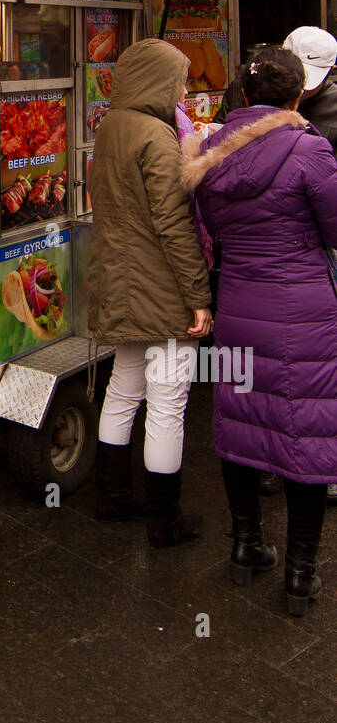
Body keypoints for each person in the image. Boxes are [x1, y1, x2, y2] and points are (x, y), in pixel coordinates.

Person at [183, 46, 337, 615]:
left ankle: (246, 547)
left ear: (244, 97)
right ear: (300, 96)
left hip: (238, 304)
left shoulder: (208, 156)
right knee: (308, 435)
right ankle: (300, 574)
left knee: (241, 423)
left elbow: (215, 230)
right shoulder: (309, 150)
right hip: (304, 312)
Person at [89, 39, 212, 547]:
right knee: (167, 402)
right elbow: (174, 224)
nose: (185, 89)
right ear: (160, 82)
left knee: (123, 387)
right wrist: (199, 295)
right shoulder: (157, 136)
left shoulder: (111, 125)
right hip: (160, 285)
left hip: (117, 280)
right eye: (180, 80)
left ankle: (112, 498)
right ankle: (165, 519)